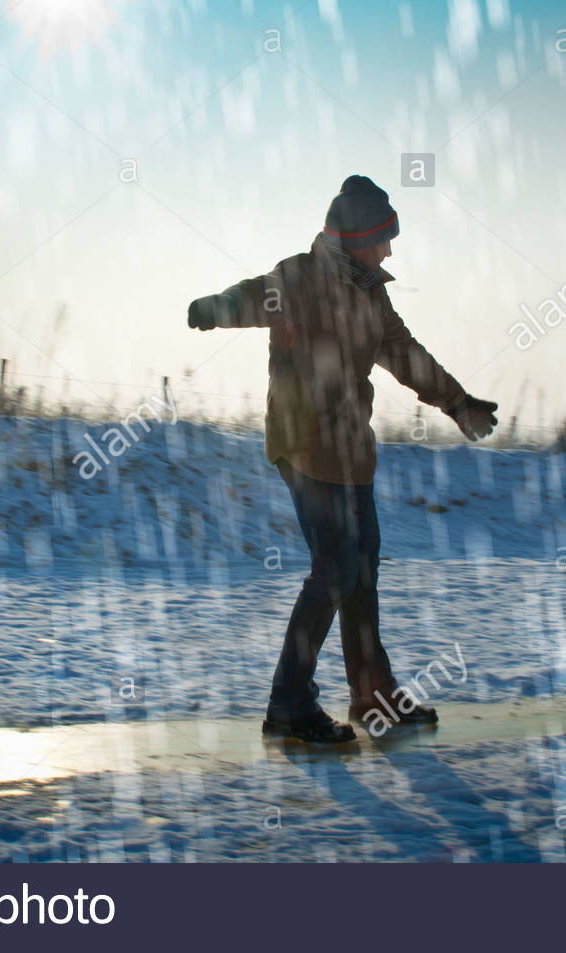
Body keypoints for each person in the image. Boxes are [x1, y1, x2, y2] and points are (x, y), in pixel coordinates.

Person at [186, 174, 499, 743]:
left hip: (351, 449)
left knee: (361, 574)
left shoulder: (371, 296)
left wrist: (458, 402)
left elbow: (407, 356)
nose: (389, 248)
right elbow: (261, 295)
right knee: (335, 571)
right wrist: (219, 306)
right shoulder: (302, 277)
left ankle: (371, 695)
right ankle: (289, 705)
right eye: (383, 237)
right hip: (304, 439)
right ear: (356, 236)